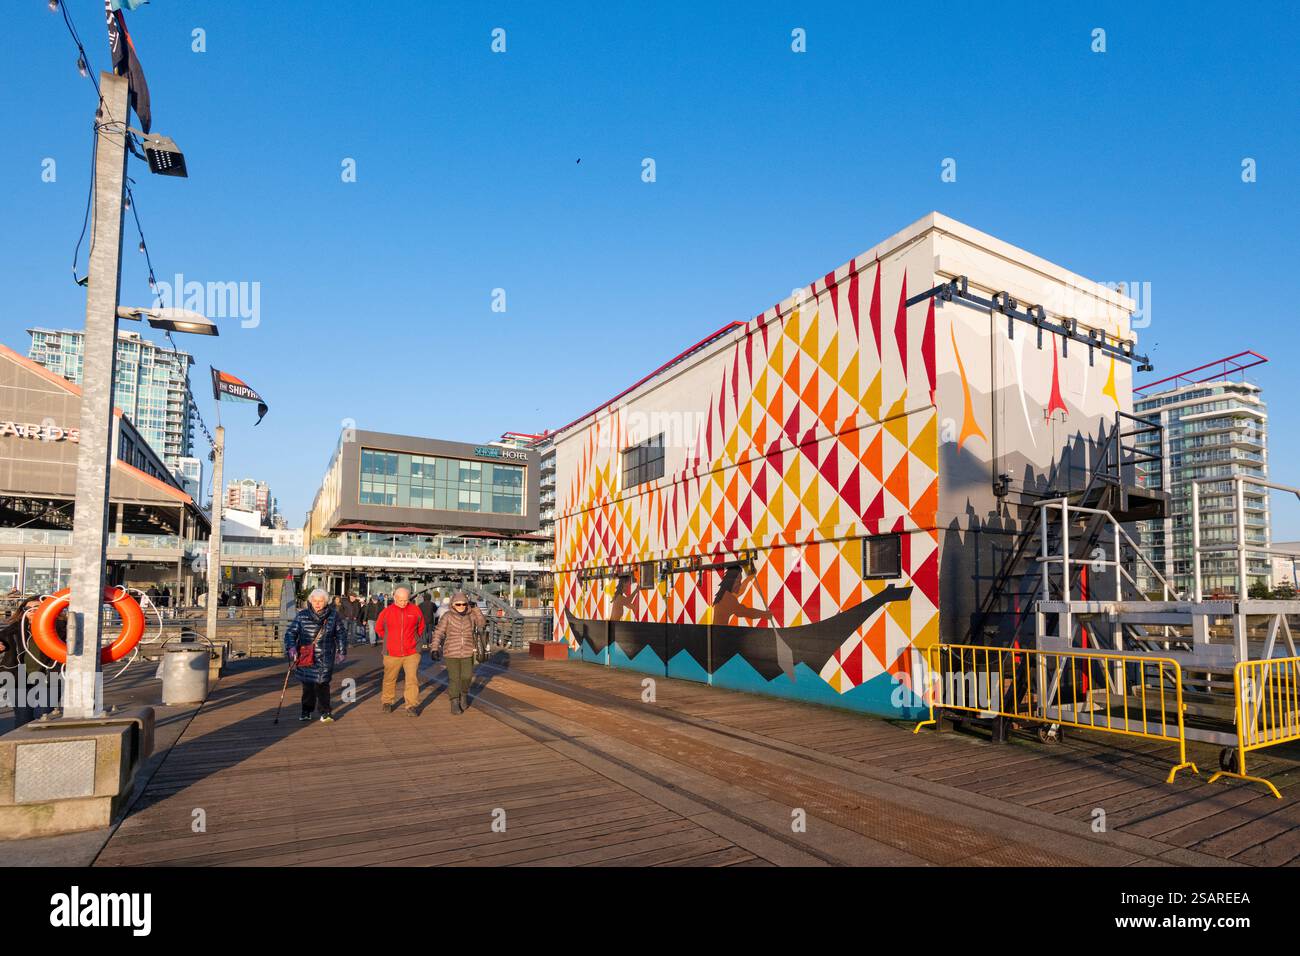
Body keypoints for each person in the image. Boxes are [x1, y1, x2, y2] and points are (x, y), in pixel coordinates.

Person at [283, 587, 347, 723]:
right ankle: (306, 710)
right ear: (310, 601)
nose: (318, 603)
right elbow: (290, 633)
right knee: (308, 686)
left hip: (325, 656)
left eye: (321, 601)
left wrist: (341, 651)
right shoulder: (302, 616)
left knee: (323, 685)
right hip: (306, 656)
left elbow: (341, 633)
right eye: (315, 600)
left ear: (326, 602)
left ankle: (326, 712)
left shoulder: (333, 616)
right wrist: (292, 647)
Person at [430, 591, 486, 715]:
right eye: (458, 604)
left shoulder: (470, 615)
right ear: (453, 605)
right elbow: (438, 632)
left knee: (467, 676)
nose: (461, 606)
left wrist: (476, 609)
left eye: (464, 604)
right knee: (454, 678)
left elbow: (482, 623)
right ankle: (454, 702)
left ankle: (464, 694)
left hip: (467, 651)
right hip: (451, 653)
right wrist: (434, 648)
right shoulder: (447, 616)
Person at [374, 586, 424, 716]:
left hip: (412, 651)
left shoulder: (415, 610)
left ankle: (411, 705)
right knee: (390, 678)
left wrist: (415, 640)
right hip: (392, 652)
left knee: (412, 679)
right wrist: (388, 639)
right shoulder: (387, 612)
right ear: (395, 598)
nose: (403, 603)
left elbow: (421, 627)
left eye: (406, 600)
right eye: (400, 600)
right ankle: (387, 701)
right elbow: (379, 628)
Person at [709, 565, 774, 626]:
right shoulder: (728, 599)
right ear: (731, 582)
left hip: (718, 632)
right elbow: (745, 612)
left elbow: (740, 591)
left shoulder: (724, 594)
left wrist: (749, 578)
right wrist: (764, 614)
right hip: (721, 634)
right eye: (738, 581)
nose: (740, 584)